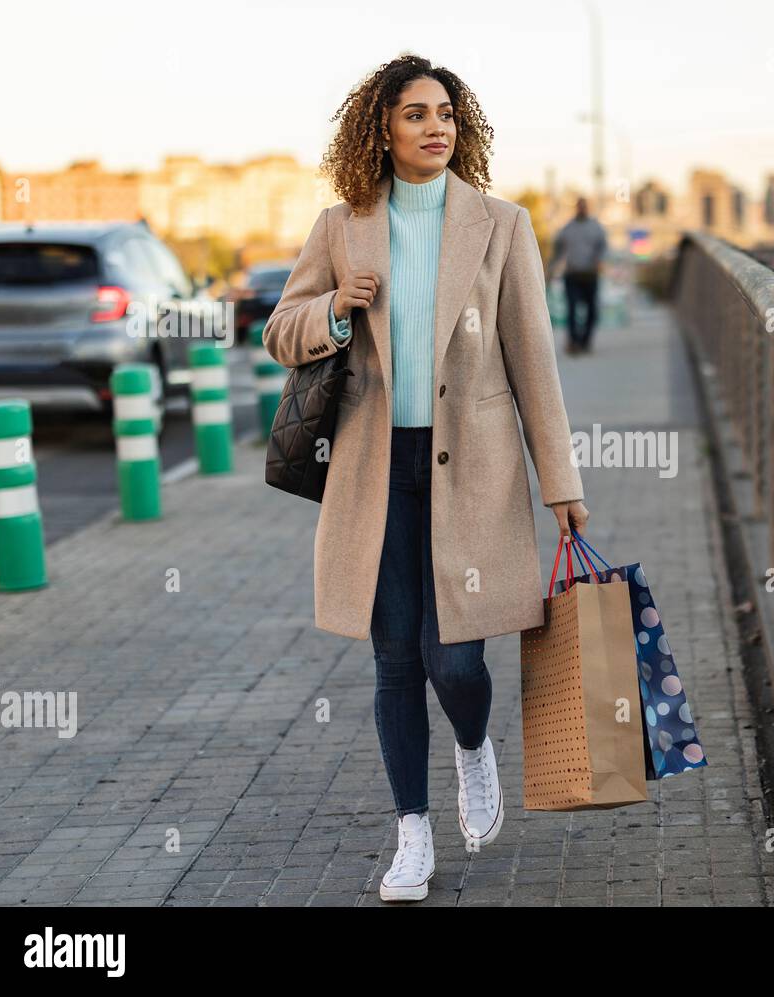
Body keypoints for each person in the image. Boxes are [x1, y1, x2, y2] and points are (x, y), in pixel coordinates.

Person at [262, 53, 589, 903]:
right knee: (394, 661)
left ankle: (474, 748)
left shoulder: (502, 224)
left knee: (456, 662)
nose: (435, 125)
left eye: (445, 112)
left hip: (473, 475)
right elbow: (280, 330)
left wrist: (561, 481)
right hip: (376, 474)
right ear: (383, 129)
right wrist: (336, 308)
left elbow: (534, 360)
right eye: (415, 113)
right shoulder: (343, 225)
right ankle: (412, 833)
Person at [551, 197, 608, 354]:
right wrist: (553, 266)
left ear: (587, 208)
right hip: (572, 274)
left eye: (584, 206)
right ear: (576, 208)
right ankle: (574, 342)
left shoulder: (596, 227)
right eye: (579, 206)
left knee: (592, 311)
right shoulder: (568, 228)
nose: (582, 208)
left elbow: (603, 246)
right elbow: (558, 247)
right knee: (572, 310)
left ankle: (585, 342)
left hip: (590, 275)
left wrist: (600, 260)